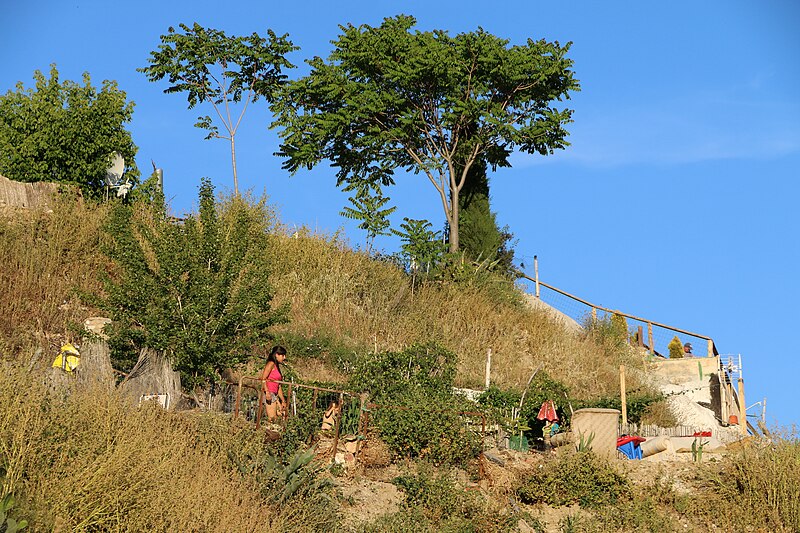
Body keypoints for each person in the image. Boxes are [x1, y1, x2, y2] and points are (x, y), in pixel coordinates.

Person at [260, 345, 287, 421]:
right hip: (269, 393)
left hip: (274, 394)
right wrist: (267, 392)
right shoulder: (271, 364)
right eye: (282, 355)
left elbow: (278, 385)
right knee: (272, 418)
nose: (284, 358)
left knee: (281, 415)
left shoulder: (277, 366)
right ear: (277, 355)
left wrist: (283, 400)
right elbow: (263, 378)